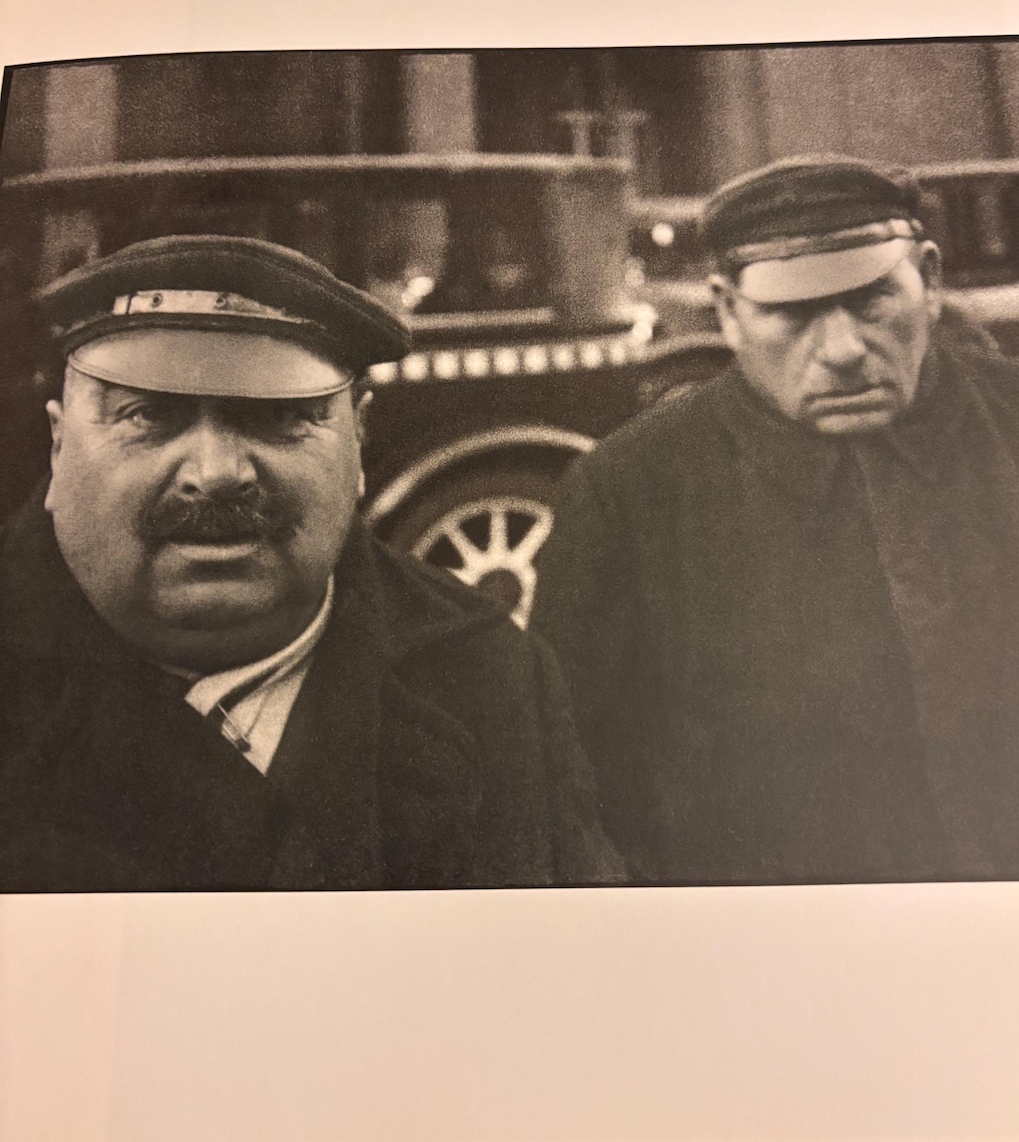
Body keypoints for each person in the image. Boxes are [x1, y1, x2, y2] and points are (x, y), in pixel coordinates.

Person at [0, 234, 621, 892]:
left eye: (279, 417)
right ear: (59, 444)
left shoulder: (493, 680)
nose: (216, 472)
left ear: (358, 438)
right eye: (149, 414)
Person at [532, 155, 1019, 886]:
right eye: (792, 314)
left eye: (872, 298)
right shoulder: (630, 493)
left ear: (930, 279)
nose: (844, 350)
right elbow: (577, 790)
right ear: (728, 313)